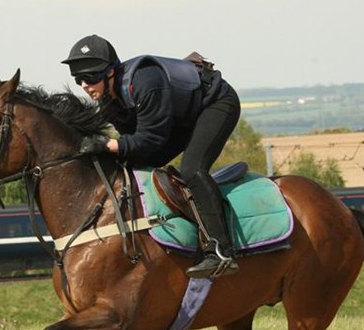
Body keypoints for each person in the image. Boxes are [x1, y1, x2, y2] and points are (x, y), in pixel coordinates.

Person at [61, 34, 242, 279]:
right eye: (78, 79)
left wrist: (109, 144)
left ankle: (221, 250)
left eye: (90, 77)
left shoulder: (145, 81)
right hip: (180, 116)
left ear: (111, 72)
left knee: (192, 169)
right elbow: (138, 148)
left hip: (215, 104)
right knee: (133, 166)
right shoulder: (109, 101)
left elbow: (151, 139)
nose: (84, 85)